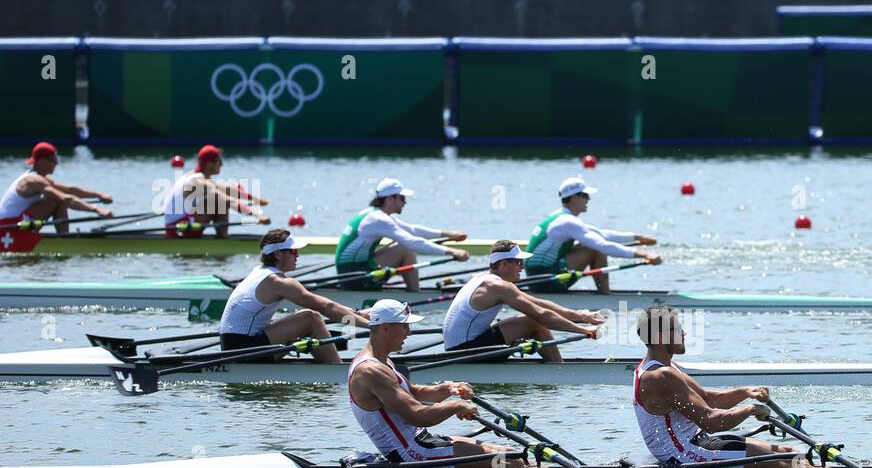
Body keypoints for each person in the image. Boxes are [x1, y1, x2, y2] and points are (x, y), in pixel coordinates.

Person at [347, 298, 552, 468]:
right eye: (404, 326)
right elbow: (416, 414)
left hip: (423, 442)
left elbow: (415, 393)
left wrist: (447, 388)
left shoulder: (382, 360)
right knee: (514, 463)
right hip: (412, 455)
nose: (408, 332)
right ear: (385, 328)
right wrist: (455, 406)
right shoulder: (371, 371)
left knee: (509, 454)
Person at [632, 305, 834, 468]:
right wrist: (749, 410)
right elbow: (711, 422)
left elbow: (708, 399)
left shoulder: (663, 366)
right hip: (683, 455)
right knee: (789, 464)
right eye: (677, 329)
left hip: (698, 442)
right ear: (660, 337)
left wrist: (746, 392)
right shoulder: (660, 376)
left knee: (791, 452)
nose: (684, 333)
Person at [219, 230, 369, 363]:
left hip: (233, 345)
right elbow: (326, 307)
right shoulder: (276, 282)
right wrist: (369, 326)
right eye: (293, 251)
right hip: (242, 350)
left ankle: (329, 362)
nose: (297, 255)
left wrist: (357, 314)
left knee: (303, 316)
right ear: (277, 254)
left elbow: (329, 306)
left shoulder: (260, 271)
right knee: (311, 318)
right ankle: (336, 371)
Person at [441, 240, 603, 362]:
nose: (523, 268)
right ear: (504, 264)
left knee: (533, 322)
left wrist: (581, 316)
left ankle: (557, 368)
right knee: (535, 321)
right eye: (519, 262)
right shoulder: (498, 285)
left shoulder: (483, 278)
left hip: (460, 346)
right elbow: (543, 315)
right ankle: (559, 372)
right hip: (463, 351)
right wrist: (585, 331)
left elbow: (539, 304)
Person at [524, 177, 661, 294]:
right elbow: (603, 245)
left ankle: (605, 293)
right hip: (545, 281)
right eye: (585, 195)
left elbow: (600, 233)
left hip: (537, 277)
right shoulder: (567, 221)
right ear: (573, 197)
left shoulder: (560, 217)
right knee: (594, 248)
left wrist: (638, 238)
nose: (588, 199)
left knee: (593, 242)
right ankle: (606, 296)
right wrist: (645, 255)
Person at [335, 178, 471, 291]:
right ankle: (414, 294)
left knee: (403, 245)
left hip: (351, 271)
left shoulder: (373, 214)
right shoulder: (378, 219)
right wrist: (452, 252)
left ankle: (412, 291)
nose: (405, 202)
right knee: (405, 248)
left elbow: (412, 230)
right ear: (389, 199)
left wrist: (450, 235)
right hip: (355, 277)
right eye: (402, 198)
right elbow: (412, 242)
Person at [0, 142, 113, 251]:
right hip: (7, 229)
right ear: (41, 161)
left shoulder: (36, 178)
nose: (56, 163)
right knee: (57, 200)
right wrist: (97, 209)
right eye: (53, 159)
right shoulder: (33, 180)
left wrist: (100, 195)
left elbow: (70, 190)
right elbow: (65, 198)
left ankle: (63, 238)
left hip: (14, 225)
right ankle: (65, 241)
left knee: (56, 198)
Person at [163, 144, 269, 237]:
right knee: (218, 202)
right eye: (219, 160)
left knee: (217, 199)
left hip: (178, 226)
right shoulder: (198, 181)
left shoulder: (194, 177)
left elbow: (228, 189)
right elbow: (228, 200)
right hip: (179, 229)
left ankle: (222, 243)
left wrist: (257, 199)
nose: (222, 164)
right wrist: (257, 215)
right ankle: (224, 242)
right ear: (209, 163)